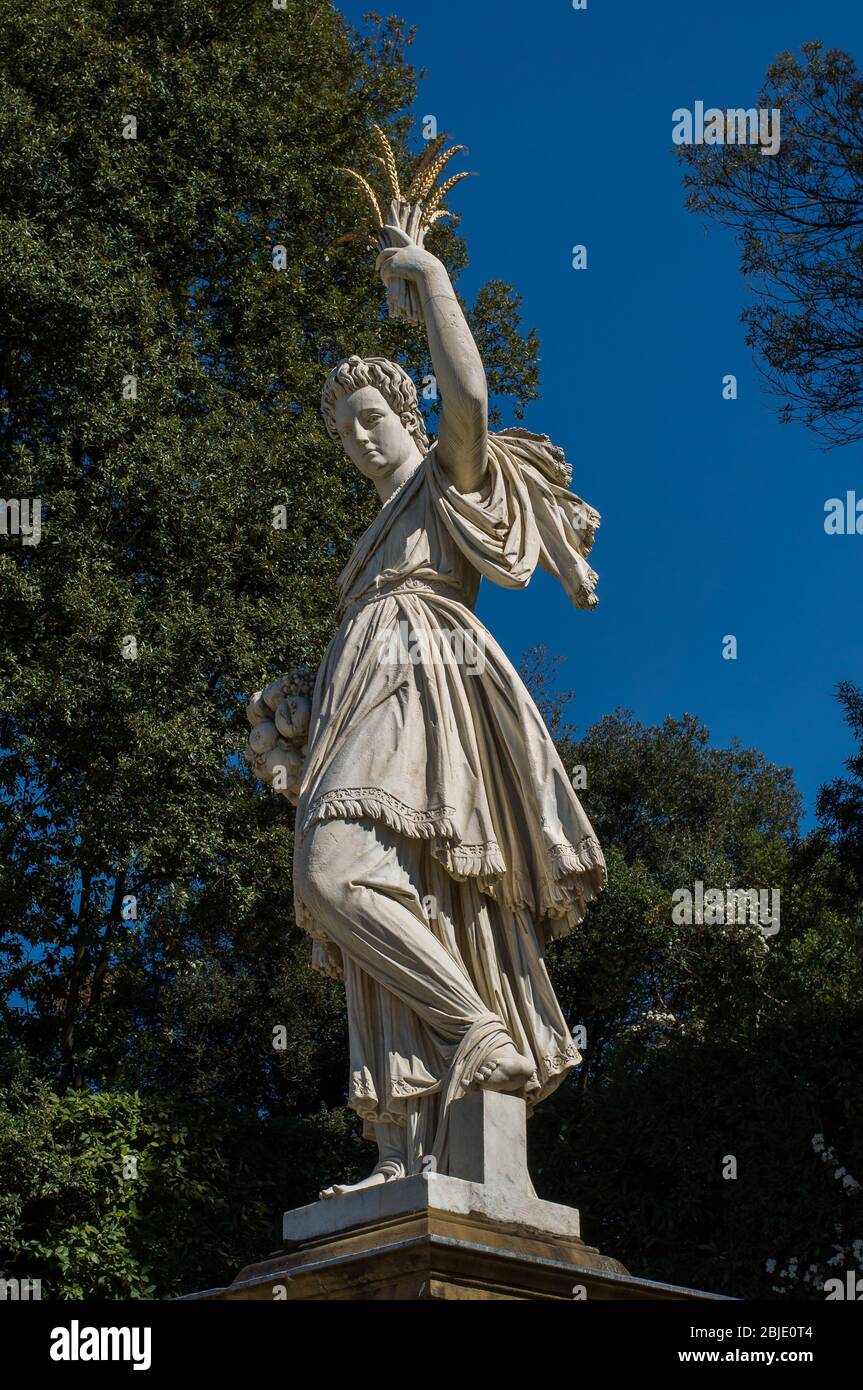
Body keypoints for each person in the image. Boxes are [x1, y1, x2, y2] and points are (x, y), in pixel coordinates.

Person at [293, 226, 607, 1197]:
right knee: (406, 894)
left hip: (424, 683)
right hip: (367, 699)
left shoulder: (445, 479)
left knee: (330, 873)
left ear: (406, 410)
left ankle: (477, 1027)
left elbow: (468, 398)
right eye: (342, 426)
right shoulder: (360, 554)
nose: (356, 435)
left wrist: (427, 278)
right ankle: (402, 1152)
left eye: (369, 416)